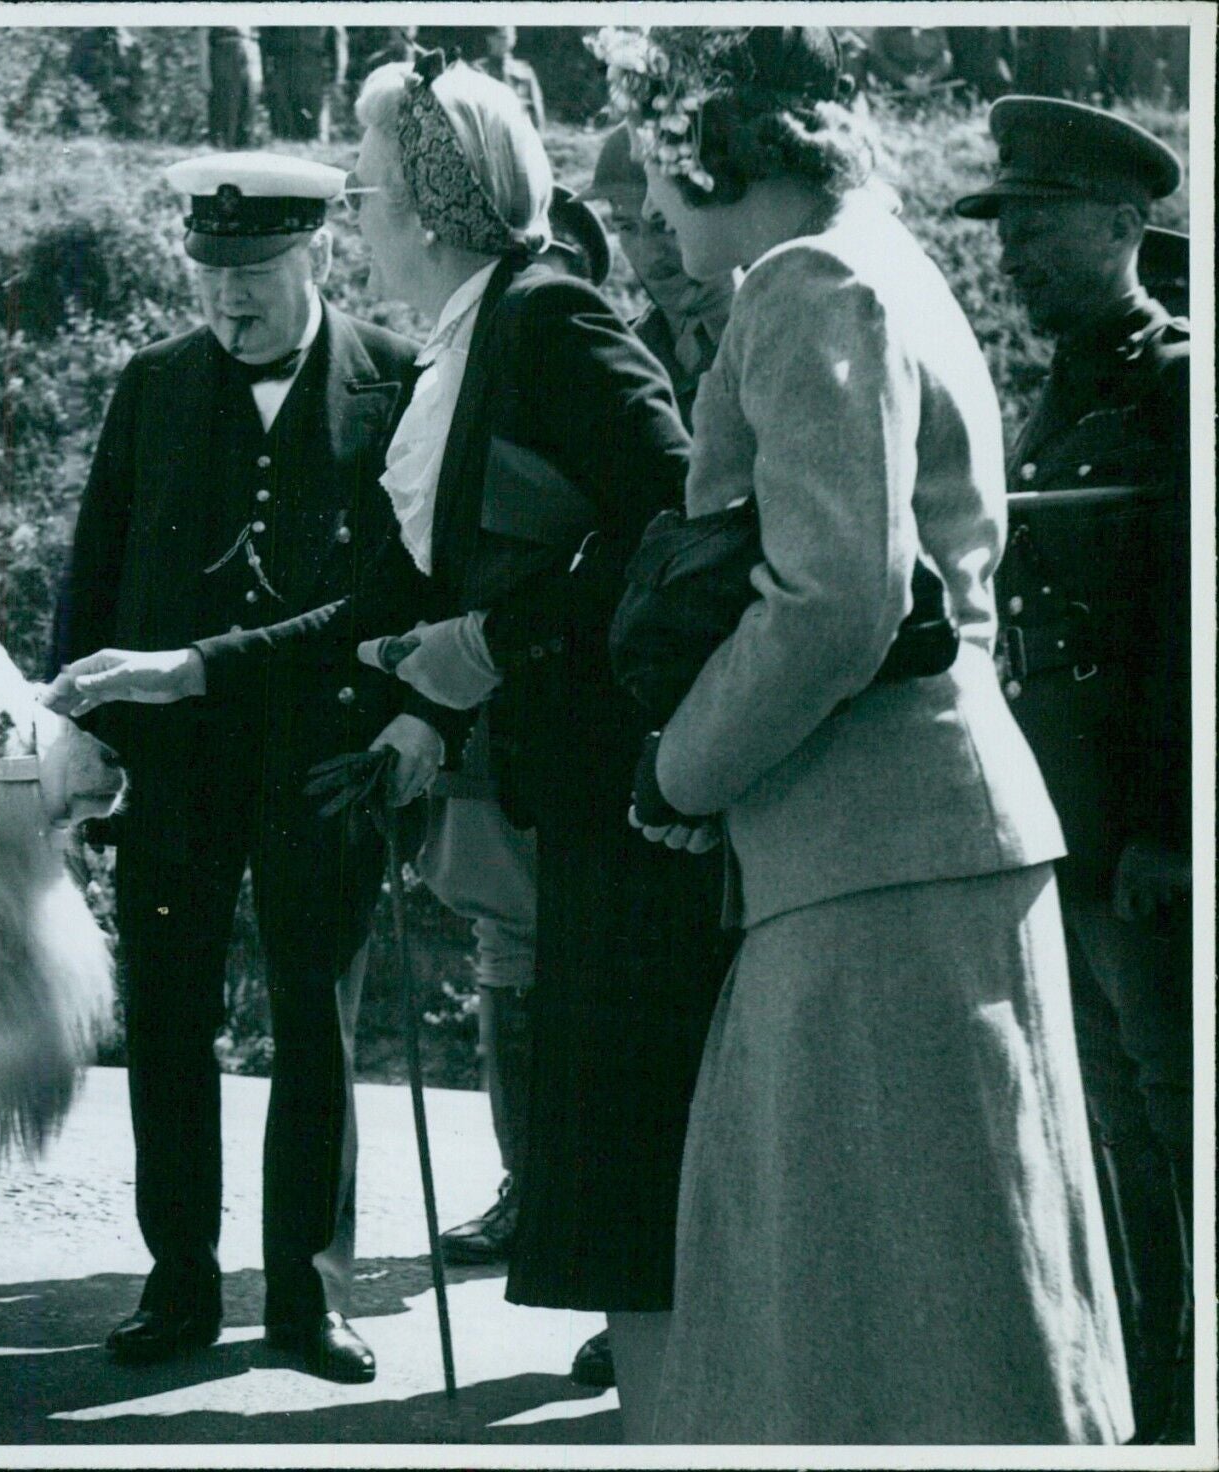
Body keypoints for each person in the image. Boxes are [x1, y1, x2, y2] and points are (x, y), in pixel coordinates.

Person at [599, 25, 1131, 1441]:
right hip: (921, 839)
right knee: (961, 1293)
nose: (646, 209)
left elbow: (835, 599)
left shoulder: (809, 281)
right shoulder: (883, 264)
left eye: (652, 164)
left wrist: (679, 768)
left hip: (873, 860)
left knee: (876, 1321)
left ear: (712, 149)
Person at [347, 53, 733, 1439]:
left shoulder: (549, 315)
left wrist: (498, 642)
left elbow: (677, 519)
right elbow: (408, 593)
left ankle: (694, 1409)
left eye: (364, 188)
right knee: (607, 1112)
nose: (354, 214)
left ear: (429, 205)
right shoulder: (472, 333)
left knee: (631, 1109)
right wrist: (200, 666)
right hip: (567, 783)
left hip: (630, 781)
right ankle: (667, 1387)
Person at [46, 154, 442, 1385]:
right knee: (170, 1016)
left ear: (314, 252)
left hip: (324, 755)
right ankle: (177, 1281)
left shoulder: (399, 376)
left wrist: (417, 716)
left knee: (316, 1018)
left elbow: (421, 582)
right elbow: (94, 564)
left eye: (257, 270)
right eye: (210, 272)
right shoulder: (154, 382)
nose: (230, 298)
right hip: (173, 764)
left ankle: (306, 1294)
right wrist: (75, 729)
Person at [955, 96, 1192, 1442]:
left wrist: (1175, 827)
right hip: (1073, 839)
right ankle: (1156, 1398)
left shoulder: (1177, 385)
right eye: (1005, 225)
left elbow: (1190, 639)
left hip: (1150, 859)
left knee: (1182, 1127)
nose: (1012, 250)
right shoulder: (1058, 395)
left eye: (1038, 223)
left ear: (1121, 222)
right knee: (1113, 1136)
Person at [578, 123, 734, 414]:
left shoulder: (769, 337)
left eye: (664, 224)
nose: (649, 251)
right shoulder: (620, 357)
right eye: (627, 227)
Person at [259, 26, 346, 143]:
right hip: (283, 65)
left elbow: (338, 43)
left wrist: (337, 78)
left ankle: (315, 142)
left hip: (313, 67)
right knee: (285, 126)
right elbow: (264, 41)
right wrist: (265, 76)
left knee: (313, 121)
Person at [473, 26, 548, 132]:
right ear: (489, 38)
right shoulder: (477, 70)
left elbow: (537, 109)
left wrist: (537, 134)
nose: (504, 42)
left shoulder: (524, 71)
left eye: (508, 37)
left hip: (517, 131)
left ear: (514, 39)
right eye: (500, 37)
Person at [203, 27, 261, 149]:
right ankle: (225, 145)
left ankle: (245, 145)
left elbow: (252, 37)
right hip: (224, 52)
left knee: (247, 103)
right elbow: (202, 36)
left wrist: (257, 72)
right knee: (227, 101)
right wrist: (203, 74)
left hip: (246, 50)